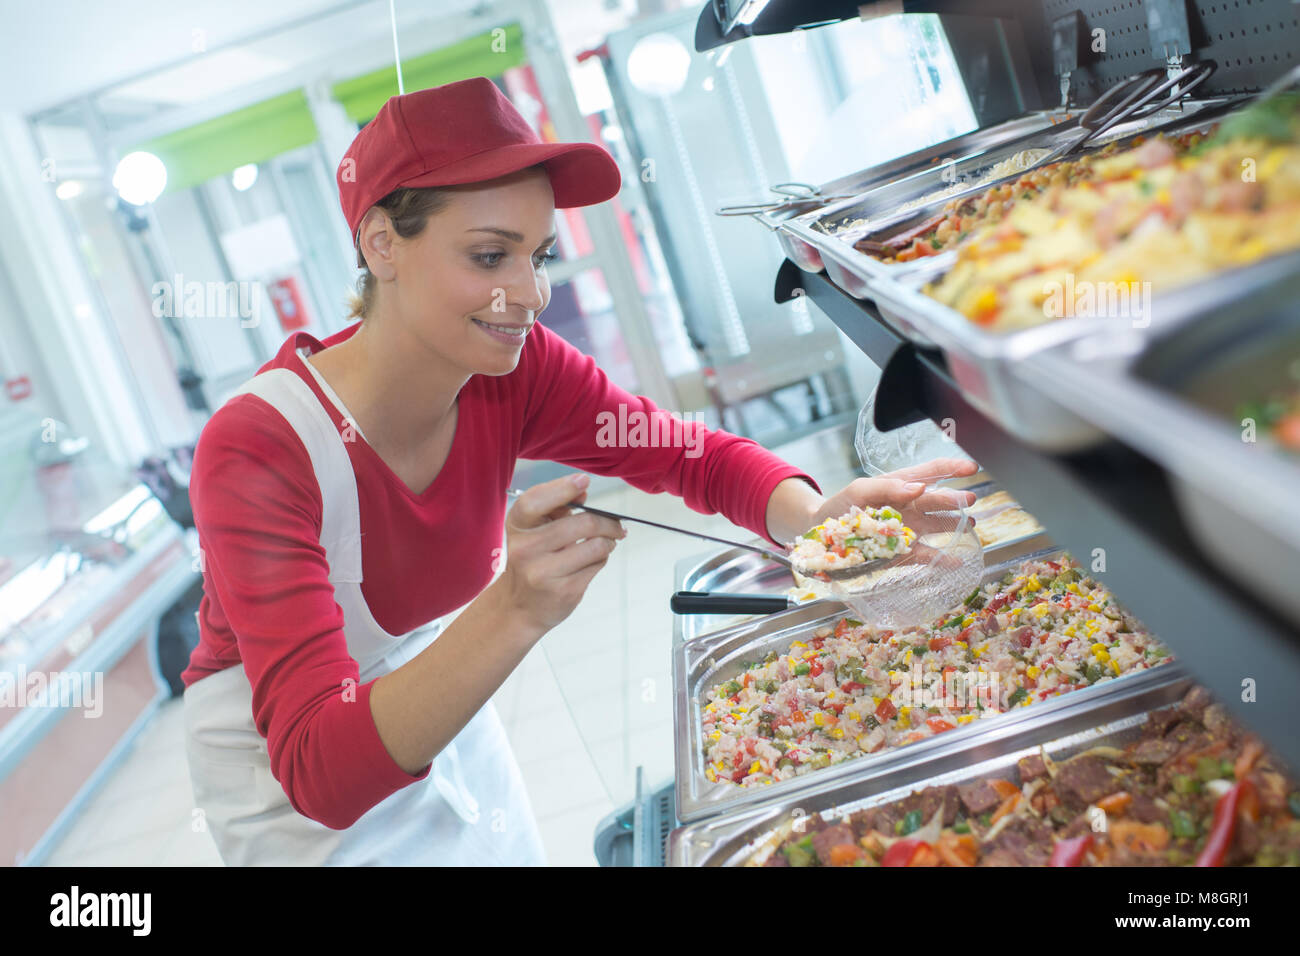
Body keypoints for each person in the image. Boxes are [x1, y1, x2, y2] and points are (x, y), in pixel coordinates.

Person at [180, 76, 975, 865]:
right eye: (490, 254)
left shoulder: (511, 370)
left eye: (540, 255)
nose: (528, 294)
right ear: (381, 243)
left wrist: (820, 526)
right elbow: (321, 769)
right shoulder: (260, 447)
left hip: (438, 704)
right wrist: (518, 607)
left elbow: (685, 452)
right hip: (289, 789)